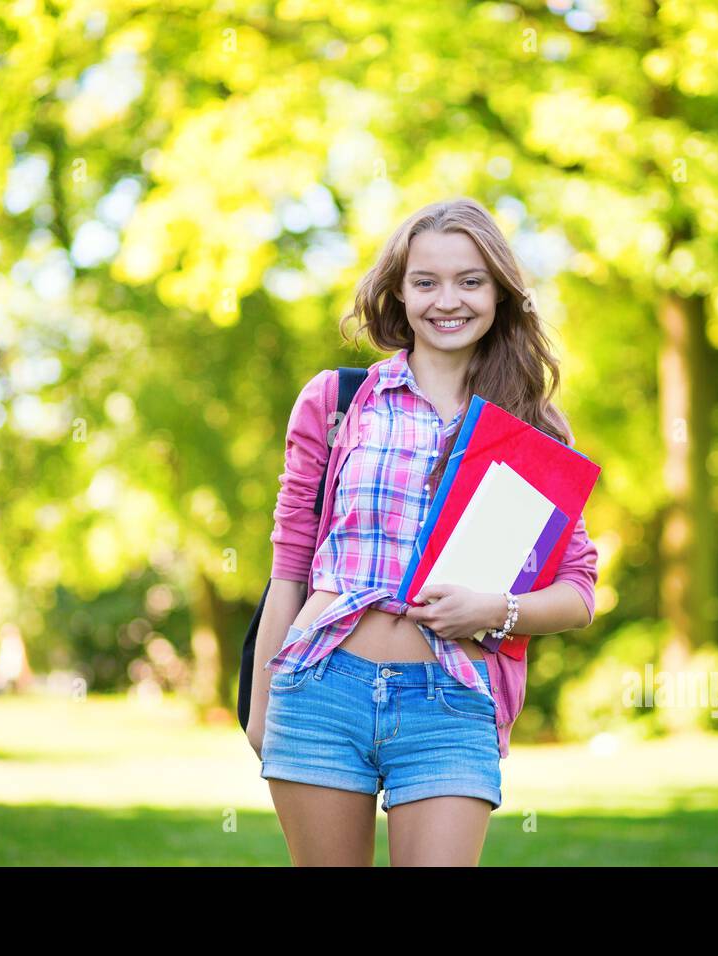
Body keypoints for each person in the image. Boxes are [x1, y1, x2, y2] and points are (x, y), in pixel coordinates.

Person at [247, 197, 599, 866]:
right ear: (398, 294)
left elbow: (580, 592)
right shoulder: (336, 401)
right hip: (321, 688)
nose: (449, 301)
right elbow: (290, 567)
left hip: (451, 704)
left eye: (471, 281)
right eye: (426, 281)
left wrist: (498, 609)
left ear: (499, 293)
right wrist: (264, 707)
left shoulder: (531, 428)